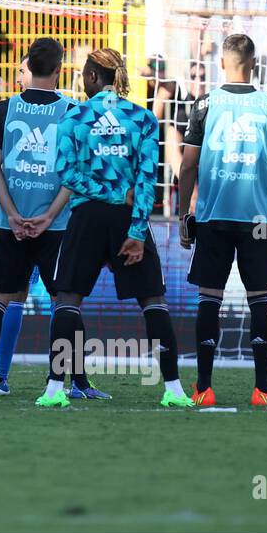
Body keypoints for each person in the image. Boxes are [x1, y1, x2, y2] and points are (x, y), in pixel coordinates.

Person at [43, 48, 193, 408]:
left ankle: (53, 389)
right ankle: (174, 389)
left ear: (94, 77)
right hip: (128, 217)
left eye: (84, 73)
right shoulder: (142, 118)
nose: (82, 79)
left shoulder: (73, 117)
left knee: (67, 299)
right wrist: (137, 232)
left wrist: (106, 193)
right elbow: (146, 180)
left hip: (87, 217)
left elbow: (65, 173)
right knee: (153, 302)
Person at [0, 38, 109, 399]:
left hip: (10, 224)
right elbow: (75, 173)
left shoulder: (5, 108)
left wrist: (13, 213)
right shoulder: (73, 110)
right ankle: (76, 383)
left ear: (27, 66)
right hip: (57, 226)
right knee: (65, 301)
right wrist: (48, 216)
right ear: (60, 69)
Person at [176, 34, 267, 407]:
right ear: (254, 63)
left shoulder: (205, 104)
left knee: (210, 298)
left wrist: (183, 213)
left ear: (222, 62)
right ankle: (262, 390)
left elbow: (188, 165)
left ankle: (203, 388)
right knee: (260, 299)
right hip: (257, 219)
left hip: (213, 216)